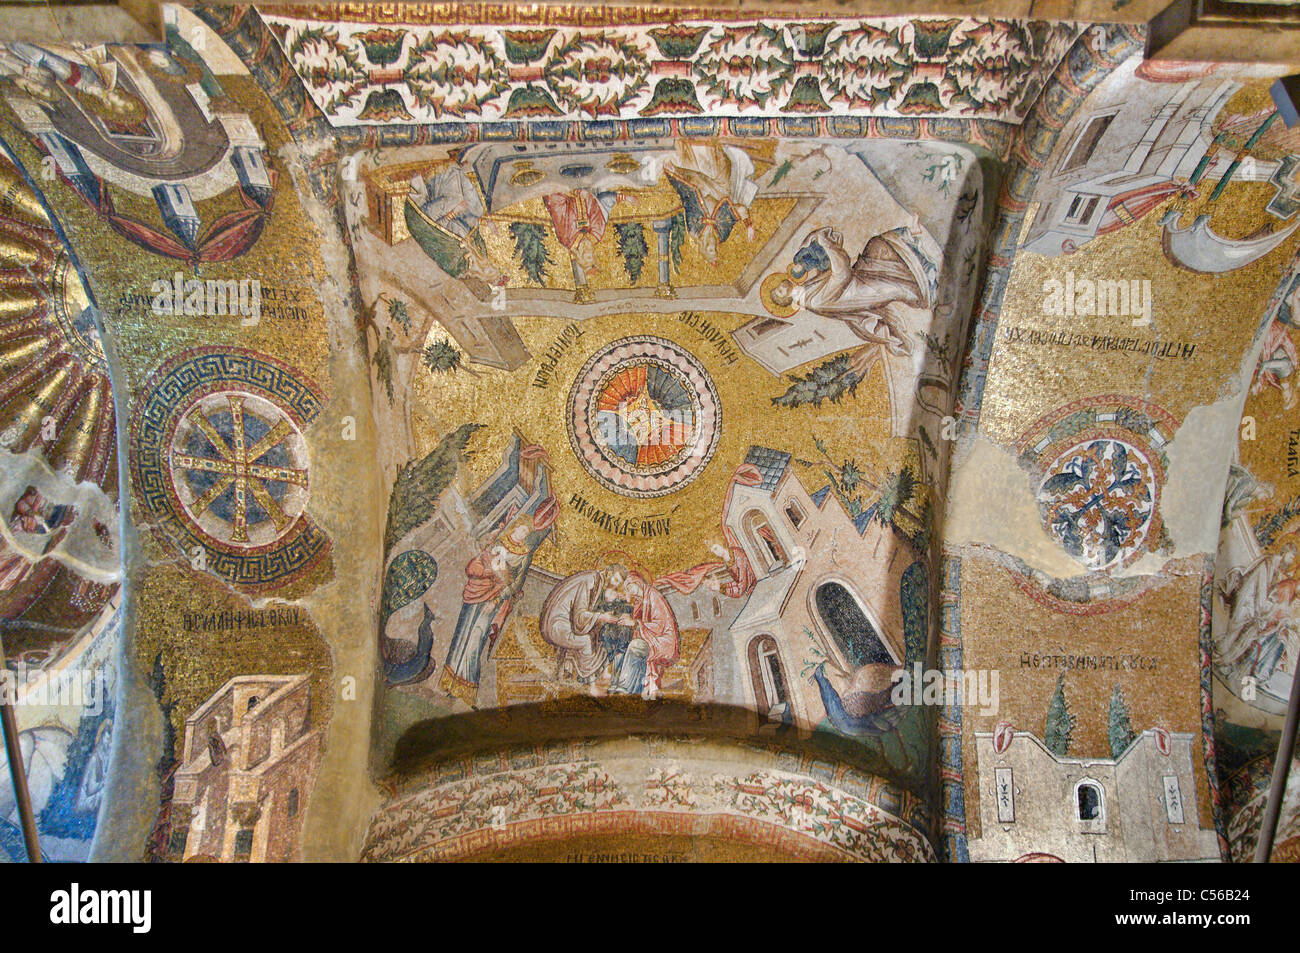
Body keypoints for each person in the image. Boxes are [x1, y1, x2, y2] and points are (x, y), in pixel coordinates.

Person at [539, 563, 634, 695]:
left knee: (599, 636)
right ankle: (590, 686)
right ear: (608, 572)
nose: (615, 585)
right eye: (615, 579)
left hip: (567, 623)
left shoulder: (597, 581)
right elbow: (579, 617)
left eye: (618, 583)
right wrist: (601, 617)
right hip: (557, 625)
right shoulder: (589, 581)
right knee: (587, 642)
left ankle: (581, 673)